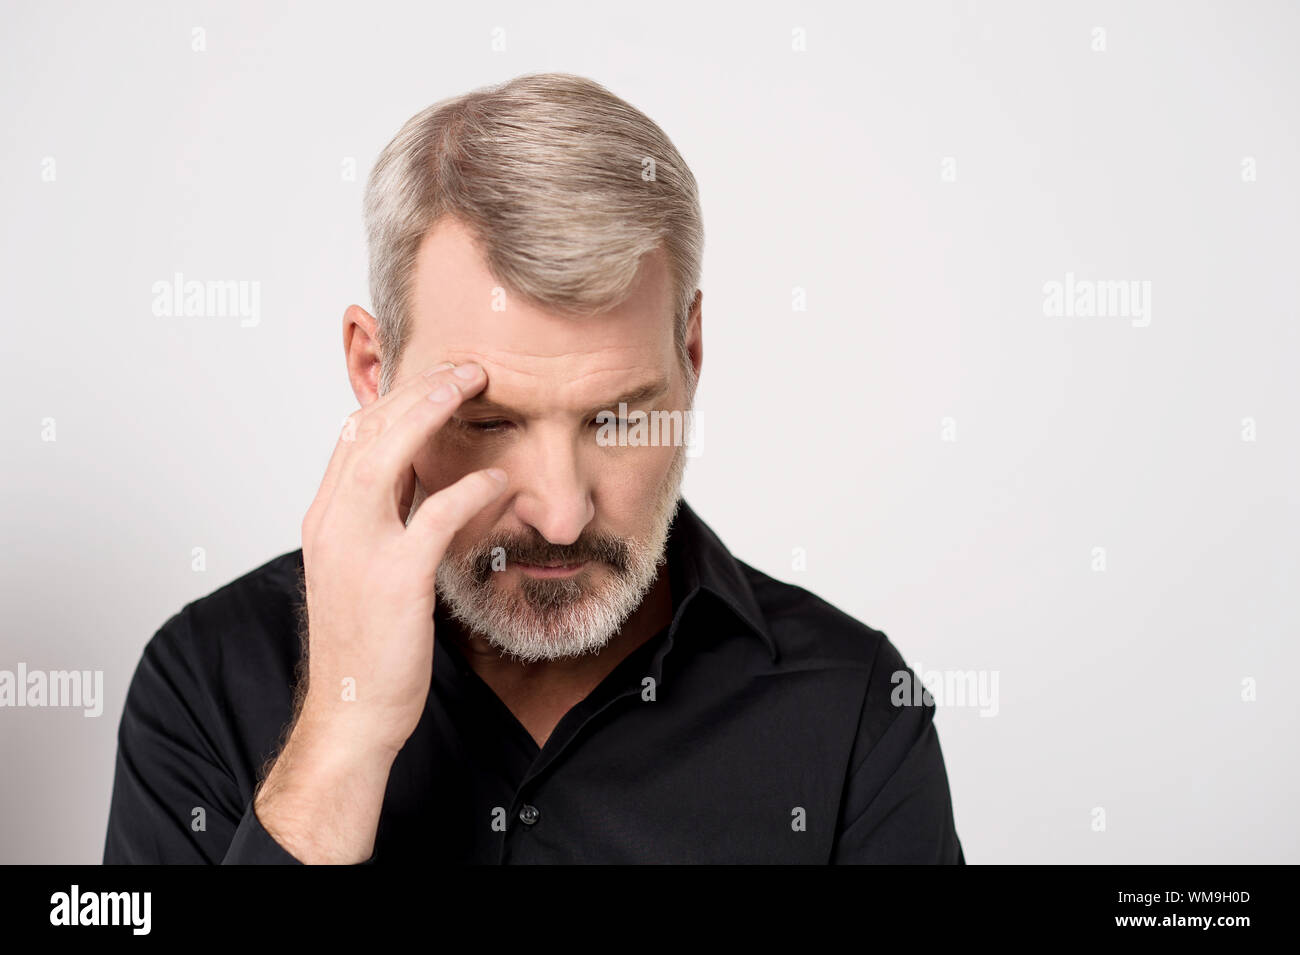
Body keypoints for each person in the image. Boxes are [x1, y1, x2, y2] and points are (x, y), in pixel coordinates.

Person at [103, 72, 963, 864]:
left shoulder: (856, 715)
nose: (559, 515)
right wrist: (342, 739)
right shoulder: (206, 681)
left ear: (691, 354)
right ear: (374, 371)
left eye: (618, 418)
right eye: (487, 422)